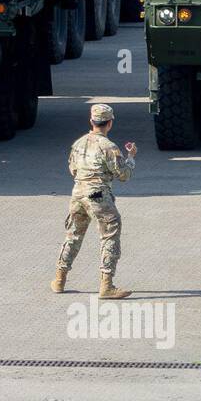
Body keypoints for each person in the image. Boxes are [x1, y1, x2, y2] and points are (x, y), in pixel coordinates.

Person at [51, 104, 137, 299]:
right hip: (98, 195)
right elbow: (123, 175)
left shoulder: (78, 144)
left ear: (91, 121)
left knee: (73, 235)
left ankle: (59, 280)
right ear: (110, 123)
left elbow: (73, 170)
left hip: (77, 194)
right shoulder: (109, 147)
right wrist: (131, 157)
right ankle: (106, 285)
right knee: (110, 233)